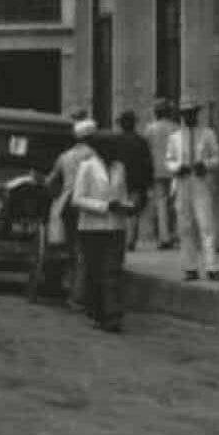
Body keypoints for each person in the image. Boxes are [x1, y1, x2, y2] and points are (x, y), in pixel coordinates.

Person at [73, 132, 135, 332]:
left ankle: (113, 315)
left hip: (116, 227)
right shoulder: (87, 167)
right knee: (95, 272)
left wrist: (127, 206)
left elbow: (122, 195)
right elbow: (77, 199)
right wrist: (104, 206)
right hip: (92, 228)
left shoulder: (120, 168)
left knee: (113, 272)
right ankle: (98, 312)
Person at [167, 99, 219, 282]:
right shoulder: (175, 137)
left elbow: (218, 157)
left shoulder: (207, 134)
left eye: (191, 113)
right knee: (185, 226)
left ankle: (212, 267)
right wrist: (177, 167)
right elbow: (169, 160)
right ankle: (190, 267)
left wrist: (206, 165)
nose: (189, 117)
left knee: (206, 225)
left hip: (201, 182)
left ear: (196, 114)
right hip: (182, 182)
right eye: (185, 114)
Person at [47, 118, 97, 308]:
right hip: (86, 204)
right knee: (83, 250)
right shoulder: (94, 156)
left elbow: (51, 180)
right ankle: (78, 294)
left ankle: (70, 287)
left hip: (67, 204)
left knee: (71, 247)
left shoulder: (65, 156)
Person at [113, 110, 154, 253]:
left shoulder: (116, 141)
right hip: (136, 182)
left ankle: (122, 240)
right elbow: (147, 164)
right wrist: (148, 182)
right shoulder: (140, 141)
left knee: (120, 210)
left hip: (119, 180)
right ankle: (130, 241)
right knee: (133, 212)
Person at [144, 99, 177, 250]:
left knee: (161, 203)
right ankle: (173, 233)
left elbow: (146, 149)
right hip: (174, 168)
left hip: (156, 168)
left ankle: (164, 237)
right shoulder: (175, 127)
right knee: (173, 202)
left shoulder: (150, 129)